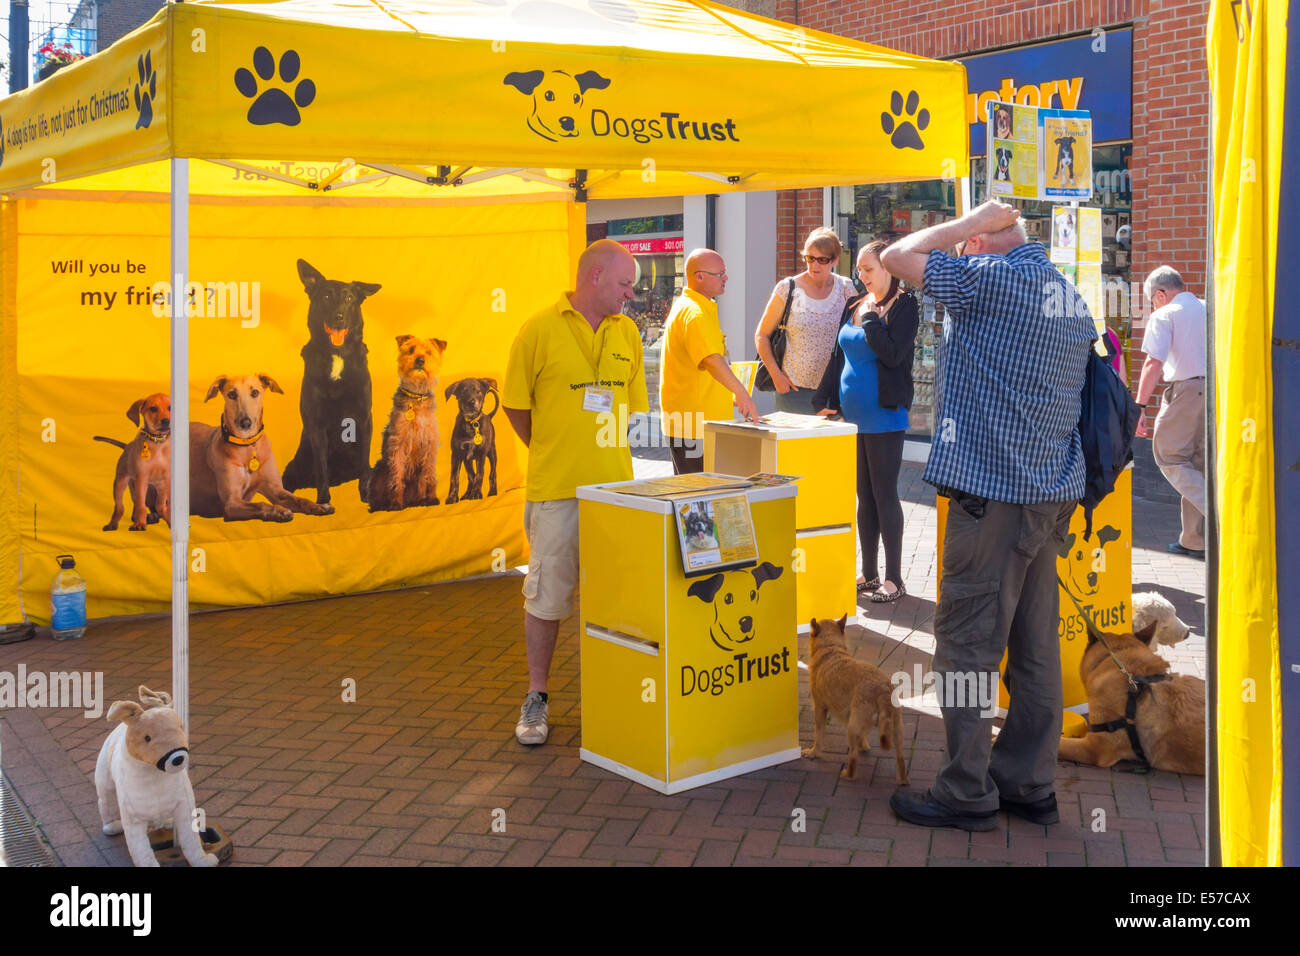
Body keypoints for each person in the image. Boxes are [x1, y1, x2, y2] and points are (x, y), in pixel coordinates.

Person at [878, 199, 1096, 831]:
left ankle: (964, 791)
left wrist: (969, 221)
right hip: (1049, 493)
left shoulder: (987, 279)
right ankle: (1027, 782)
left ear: (979, 244)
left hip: (994, 495)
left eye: (967, 241)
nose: (957, 250)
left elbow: (896, 258)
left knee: (968, 647)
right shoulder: (1066, 291)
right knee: (1033, 648)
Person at [502, 239, 648, 745]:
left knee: (614, 600)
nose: (631, 293)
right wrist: (550, 448)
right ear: (595, 276)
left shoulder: (627, 332)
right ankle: (537, 698)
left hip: (614, 494)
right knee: (546, 599)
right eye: (625, 283)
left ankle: (613, 694)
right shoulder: (538, 330)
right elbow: (516, 406)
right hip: (556, 491)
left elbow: (632, 408)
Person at [813, 240, 919, 604]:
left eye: (868, 269)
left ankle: (894, 579)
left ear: (888, 268)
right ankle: (870, 573)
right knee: (863, 496)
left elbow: (892, 355)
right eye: (858, 269)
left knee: (884, 494)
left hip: (885, 415)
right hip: (851, 417)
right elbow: (836, 356)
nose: (862, 276)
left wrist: (873, 318)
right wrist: (824, 398)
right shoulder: (853, 303)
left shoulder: (905, 306)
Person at [659, 248, 759, 473]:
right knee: (698, 500)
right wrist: (742, 394)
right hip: (694, 427)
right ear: (699, 277)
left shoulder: (696, 307)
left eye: (725, 272)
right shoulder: (695, 313)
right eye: (720, 273)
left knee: (698, 498)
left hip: (695, 424)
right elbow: (711, 360)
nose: (726, 278)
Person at [1135, 266, 1206, 559]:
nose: (1154, 304)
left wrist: (1139, 406)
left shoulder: (1164, 314)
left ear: (1161, 294)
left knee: (1169, 456)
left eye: (1153, 299)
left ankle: (1221, 512)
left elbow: (1154, 362)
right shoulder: (1207, 307)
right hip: (1215, 391)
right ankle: (1193, 539)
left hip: (1186, 390)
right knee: (1197, 464)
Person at [754, 227, 857, 414]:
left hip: (834, 391)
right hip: (794, 391)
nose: (814, 266)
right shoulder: (788, 288)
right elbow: (761, 335)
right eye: (809, 258)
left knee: (830, 444)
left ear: (835, 260)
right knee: (794, 443)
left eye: (822, 260)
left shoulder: (846, 288)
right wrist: (776, 376)